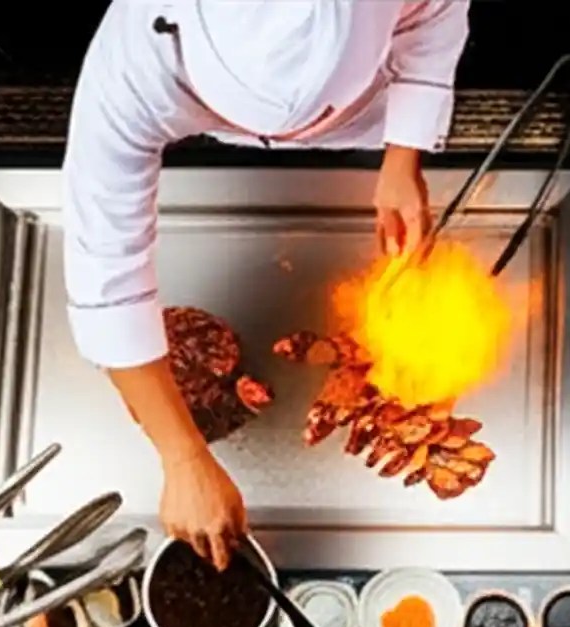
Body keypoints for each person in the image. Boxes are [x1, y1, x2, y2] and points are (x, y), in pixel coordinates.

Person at [62, 1, 470, 570]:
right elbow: (105, 278)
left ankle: (348, 105)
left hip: (369, 102)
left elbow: (435, 14)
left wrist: (403, 156)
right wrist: (183, 460)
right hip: (192, 95)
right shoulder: (130, 73)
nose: (295, 138)